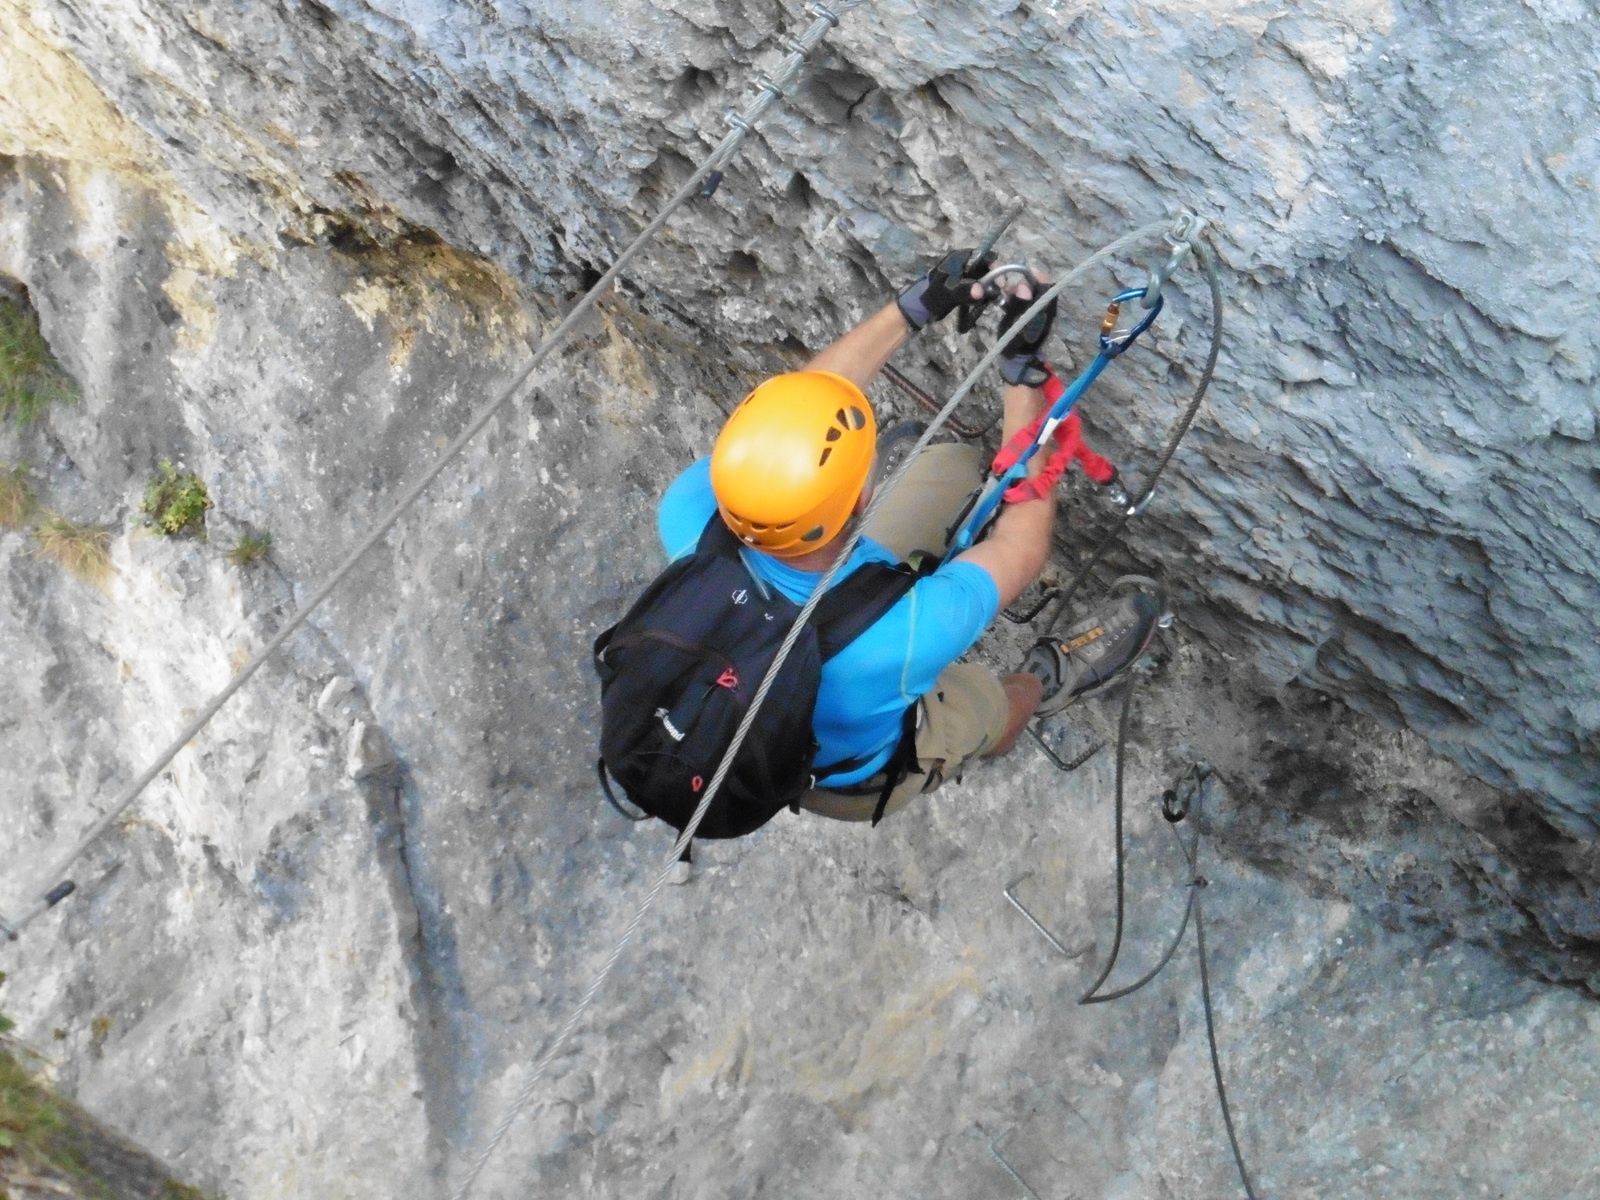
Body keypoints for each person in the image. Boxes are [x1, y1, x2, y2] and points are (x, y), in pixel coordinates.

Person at [653, 250, 1159, 824]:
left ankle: (906, 516)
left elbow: (795, 407)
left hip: (802, 659)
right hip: (856, 772)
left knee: (952, 464)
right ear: (863, 500)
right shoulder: (909, 632)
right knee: (989, 710)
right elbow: (1022, 545)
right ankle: (1048, 679)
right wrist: (1025, 377)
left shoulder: (690, 511)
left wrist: (913, 308)